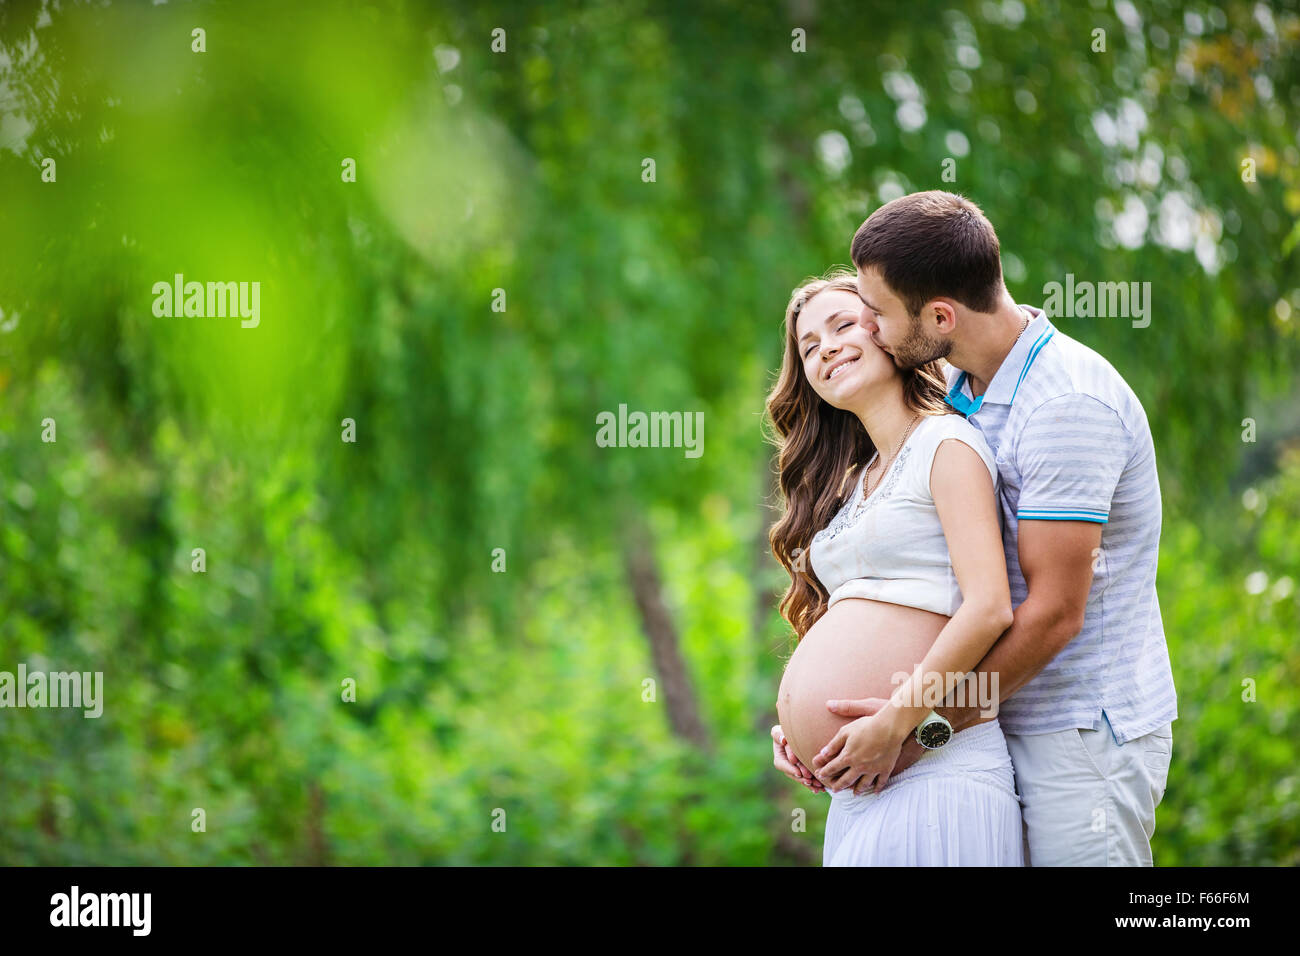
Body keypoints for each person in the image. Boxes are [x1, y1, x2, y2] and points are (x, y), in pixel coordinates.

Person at [779, 190, 1177, 867]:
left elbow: (1052, 615)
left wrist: (912, 730)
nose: (868, 330)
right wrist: (823, 729)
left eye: (872, 313)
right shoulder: (968, 395)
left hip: (1074, 732)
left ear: (939, 316)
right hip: (990, 723)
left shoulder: (1063, 404)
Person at [766, 270, 1023, 866]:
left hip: (935, 771)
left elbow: (989, 608)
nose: (825, 347)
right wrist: (801, 730)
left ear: (886, 330)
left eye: (842, 325)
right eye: (808, 346)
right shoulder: (855, 484)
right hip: (860, 788)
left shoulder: (946, 444)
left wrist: (897, 723)